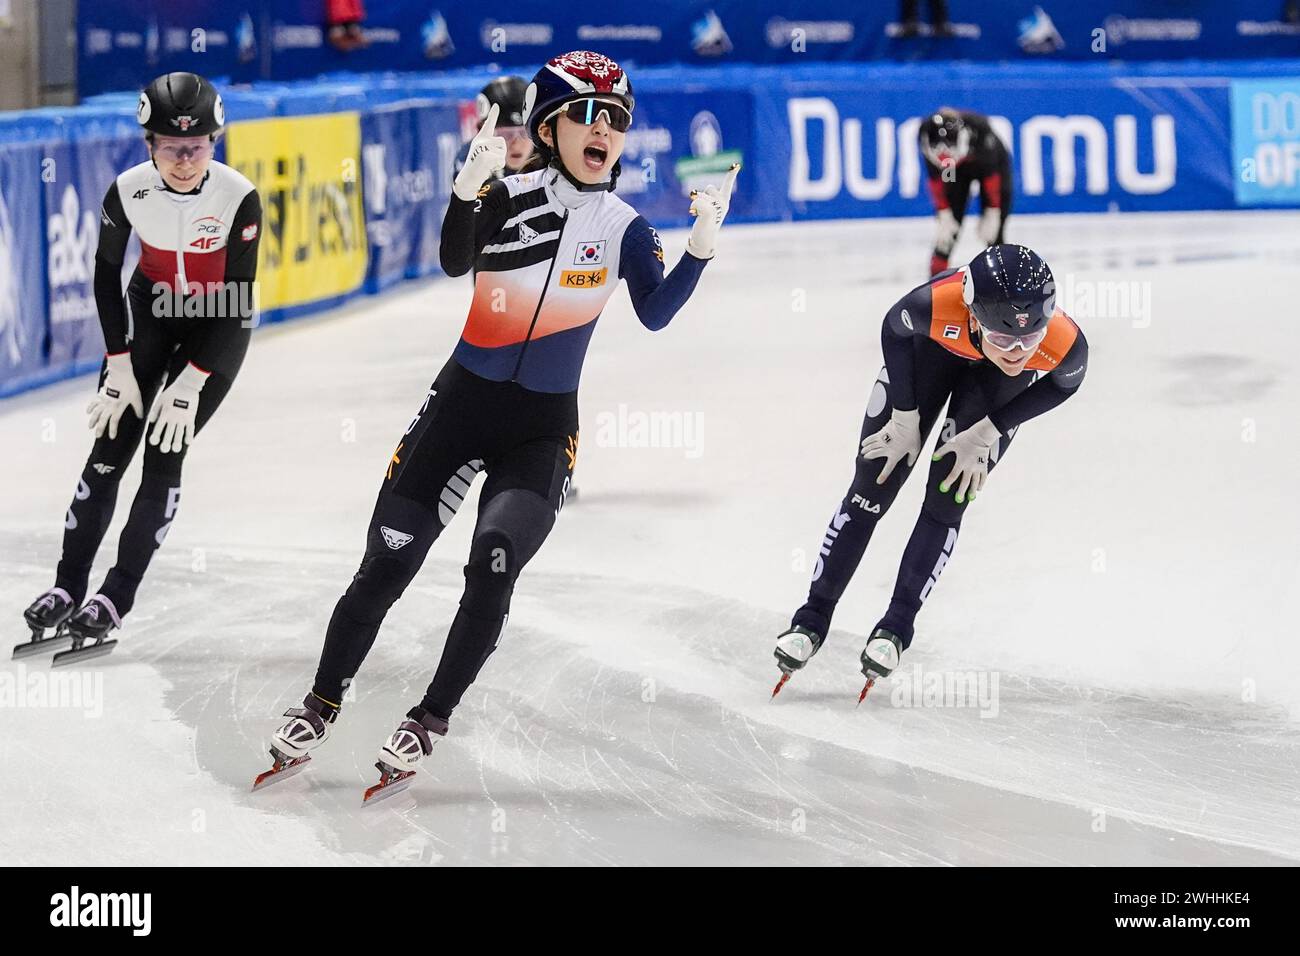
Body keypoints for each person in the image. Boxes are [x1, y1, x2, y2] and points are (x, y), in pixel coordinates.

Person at [259, 50, 740, 797]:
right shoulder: (508, 196)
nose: (601, 130)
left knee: (493, 563)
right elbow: (457, 259)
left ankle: (429, 717)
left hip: (540, 431)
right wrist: (463, 191)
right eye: (583, 114)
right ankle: (321, 701)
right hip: (457, 410)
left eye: (614, 119)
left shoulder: (626, 227)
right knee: (384, 568)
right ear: (548, 129)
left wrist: (700, 250)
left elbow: (655, 314)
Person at [16, 72, 262, 665]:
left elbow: (240, 298)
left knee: (162, 451)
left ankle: (114, 597)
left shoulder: (238, 196)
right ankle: (67, 586)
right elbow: (105, 277)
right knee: (107, 450)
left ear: (215, 142)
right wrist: (119, 364)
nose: (185, 159)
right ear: (148, 144)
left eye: (198, 146)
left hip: (216, 327)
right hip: (148, 317)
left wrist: (191, 382)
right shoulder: (127, 190)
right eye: (172, 147)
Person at [771, 245, 1087, 700]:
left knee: (949, 493)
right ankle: (812, 616)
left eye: (1029, 339)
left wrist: (989, 431)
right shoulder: (933, 305)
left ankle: (897, 625)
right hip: (929, 354)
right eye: (1003, 339)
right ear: (974, 316)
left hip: (994, 392)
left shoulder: (1064, 342)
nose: (1017, 352)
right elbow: (893, 329)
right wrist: (904, 418)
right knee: (873, 484)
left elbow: (1064, 384)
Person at [919, 108, 1011, 277]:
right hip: (953, 170)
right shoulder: (926, 134)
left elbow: (992, 178)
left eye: (947, 149)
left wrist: (993, 209)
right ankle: (936, 278)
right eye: (938, 150)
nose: (943, 153)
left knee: (994, 231)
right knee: (948, 230)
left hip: (990, 167)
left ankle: (1001, 276)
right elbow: (937, 181)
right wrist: (943, 211)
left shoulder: (980, 132)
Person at [450, 76, 534, 185]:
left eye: (524, 133)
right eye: (506, 135)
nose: (516, 144)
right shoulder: (470, 162)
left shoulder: (553, 154)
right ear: (482, 133)